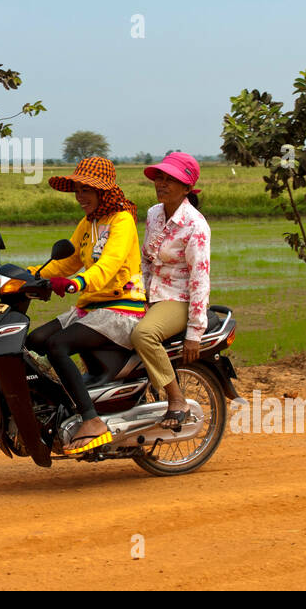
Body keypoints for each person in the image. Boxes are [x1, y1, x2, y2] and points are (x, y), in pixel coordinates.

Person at [26, 157, 146, 455]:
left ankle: (91, 420)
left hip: (121, 309)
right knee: (34, 340)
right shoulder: (89, 223)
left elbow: (108, 264)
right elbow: (66, 262)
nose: (80, 197)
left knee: (57, 346)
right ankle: (65, 402)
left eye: (86, 190)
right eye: (77, 190)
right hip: (91, 308)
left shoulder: (122, 220)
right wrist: (26, 275)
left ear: (104, 192)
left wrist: (76, 283)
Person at [131, 152, 211, 432]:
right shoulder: (154, 213)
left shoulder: (195, 225)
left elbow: (200, 279)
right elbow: (146, 259)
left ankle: (177, 400)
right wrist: (134, 292)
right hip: (149, 293)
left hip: (177, 298)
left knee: (144, 334)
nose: (161, 184)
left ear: (187, 188)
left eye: (170, 180)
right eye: (159, 178)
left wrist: (194, 332)